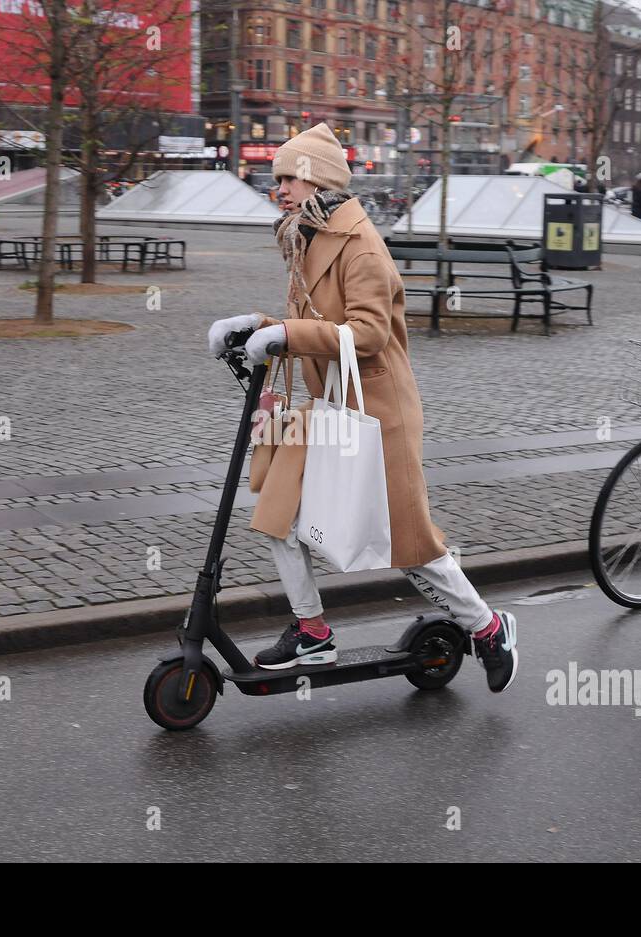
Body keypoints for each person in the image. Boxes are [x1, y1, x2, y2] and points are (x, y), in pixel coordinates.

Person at [205, 122, 519, 692]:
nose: (279, 189)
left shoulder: (361, 245)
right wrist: (255, 326)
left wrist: (284, 335)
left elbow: (368, 335)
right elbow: (312, 326)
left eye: (290, 178)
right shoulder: (305, 235)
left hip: (377, 414)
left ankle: (487, 627)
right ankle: (312, 631)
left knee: (409, 543)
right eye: (276, 178)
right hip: (326, 406)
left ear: (319, 180)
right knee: (279, 513)